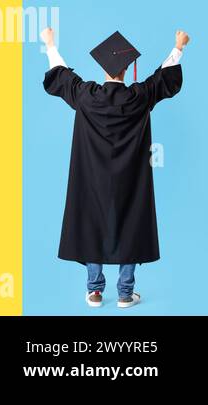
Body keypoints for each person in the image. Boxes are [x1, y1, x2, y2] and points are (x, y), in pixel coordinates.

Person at [40, 27, 188, 308]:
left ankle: (95, 291)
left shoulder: (86, 96)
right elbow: (163, 78)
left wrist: (50, 44)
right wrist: (178, 47)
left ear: (103, 68)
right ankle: (124, 293)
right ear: (127, 68)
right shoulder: (139, 96)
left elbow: (61, 74)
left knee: (91, 222)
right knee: (131, 222)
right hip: (131, 181)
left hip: (91, 180)